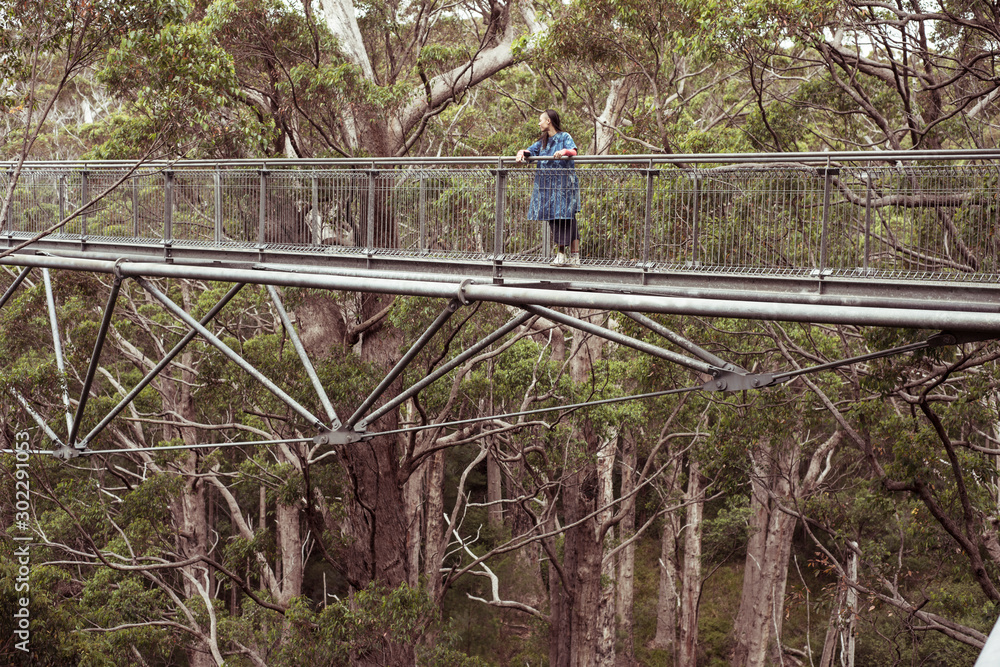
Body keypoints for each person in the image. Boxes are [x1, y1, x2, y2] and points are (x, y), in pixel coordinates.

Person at [515, 109, 581, 266]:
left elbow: (573, 151)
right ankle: (571, 255)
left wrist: (564, 152)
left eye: (540, 120)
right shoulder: (542, 142)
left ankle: (564, 254)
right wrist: (521, 153)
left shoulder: (564, 137)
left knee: (565, 217)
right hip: (548, 189)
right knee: (555, 218)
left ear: (548, 121)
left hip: (564, 187)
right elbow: (529, 151)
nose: (539, 123)